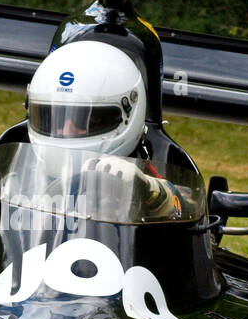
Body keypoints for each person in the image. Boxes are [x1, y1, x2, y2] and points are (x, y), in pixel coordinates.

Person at [23, 40, 189, 219]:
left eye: (83, 119)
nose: (65, 130)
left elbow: (188, 209)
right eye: (51, 118)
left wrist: (151, 191)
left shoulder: (150, 166)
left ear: (127, 113)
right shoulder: (16, 169)